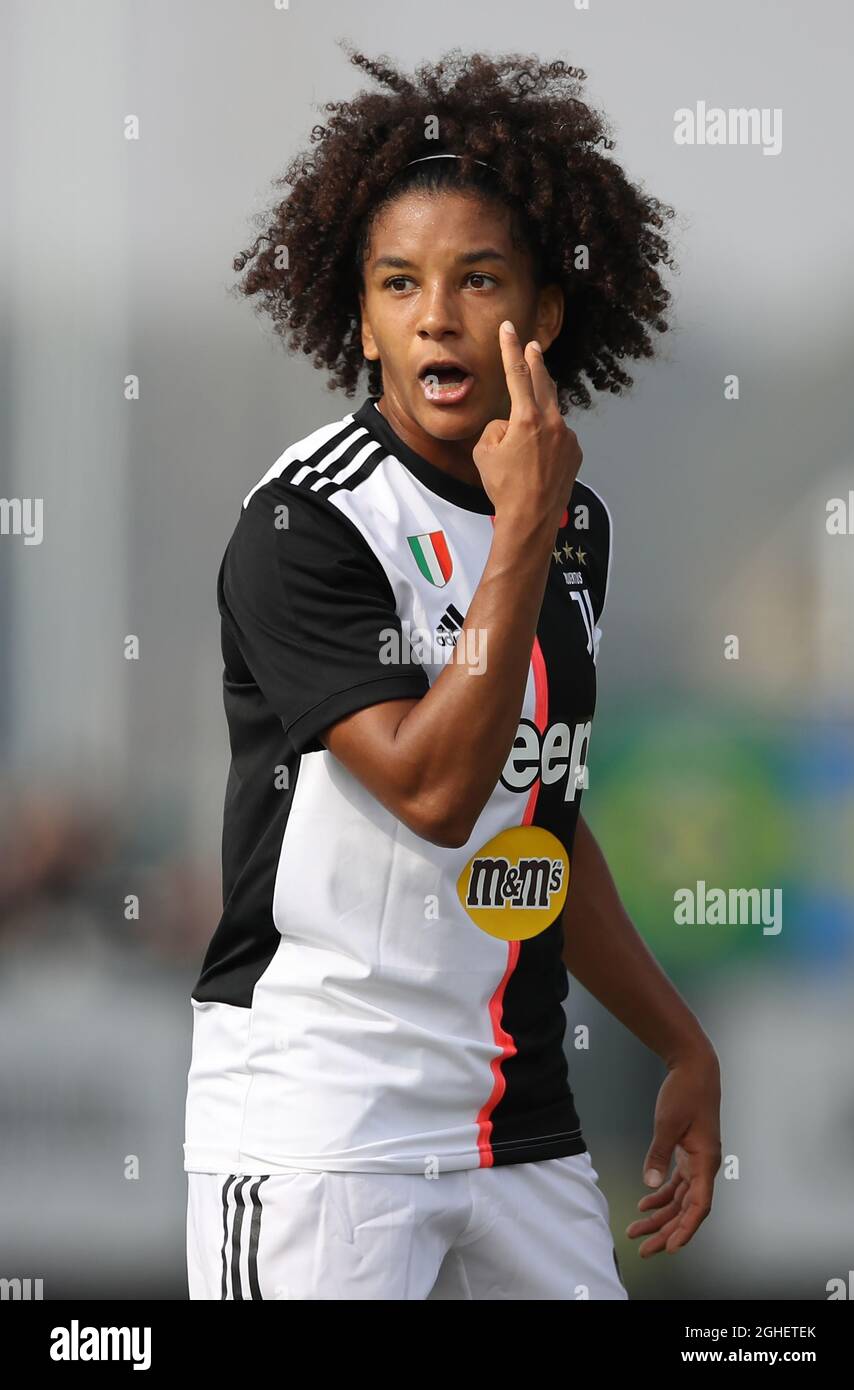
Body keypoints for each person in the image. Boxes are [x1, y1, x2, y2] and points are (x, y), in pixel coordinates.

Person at [184, 45, 721, 1300]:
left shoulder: (570, 521)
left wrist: (679, 1042)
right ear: (359, 315)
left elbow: (532, 820)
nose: (436, 312)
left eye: (477, 279)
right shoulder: (304, 524)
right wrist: (517, 538)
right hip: (328, 1121)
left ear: (540, 314)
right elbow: (430, 788)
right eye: (399, 282)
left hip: (514, 1121)